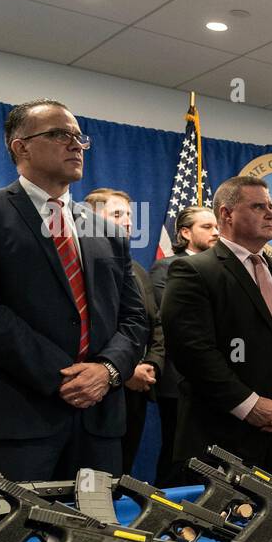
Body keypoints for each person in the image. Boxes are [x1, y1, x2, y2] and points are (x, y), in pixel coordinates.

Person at [0, 99, 147, 482]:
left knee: (97, 538)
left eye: (79, 137)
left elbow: (133, 318)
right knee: (11, 541)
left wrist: (108, 370)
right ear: (21, 146)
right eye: (58, 134)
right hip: (14, 420)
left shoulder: (109, 232)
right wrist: (64, 376)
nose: (75, 144)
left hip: (98, 423)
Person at [161, 176, 272, 481]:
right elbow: (192, 351)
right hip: (220, 443)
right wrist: (248, 405)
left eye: (271, 206)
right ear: (226, 214)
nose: (270, 214)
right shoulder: (194, 270)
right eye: (258, 206)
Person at [84, 188, 165, 475]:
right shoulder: (83, 266)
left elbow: (154, 326)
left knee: (122, 475)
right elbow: (92, 330)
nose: (128, 221)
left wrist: (150, 365)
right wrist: (124, 371)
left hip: (138, 391)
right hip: (99, 392)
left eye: (129, 214)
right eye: (118, 214)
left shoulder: (139, 271)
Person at [150, 205, 219, 486]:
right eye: (207, 227)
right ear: (185, 232)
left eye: (217, 227)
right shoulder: (167, 267)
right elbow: (173, 321)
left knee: (212, 459)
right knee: (178, 458)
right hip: (180, 380)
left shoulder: (223, 269)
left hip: (218, 379)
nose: (216, 232)